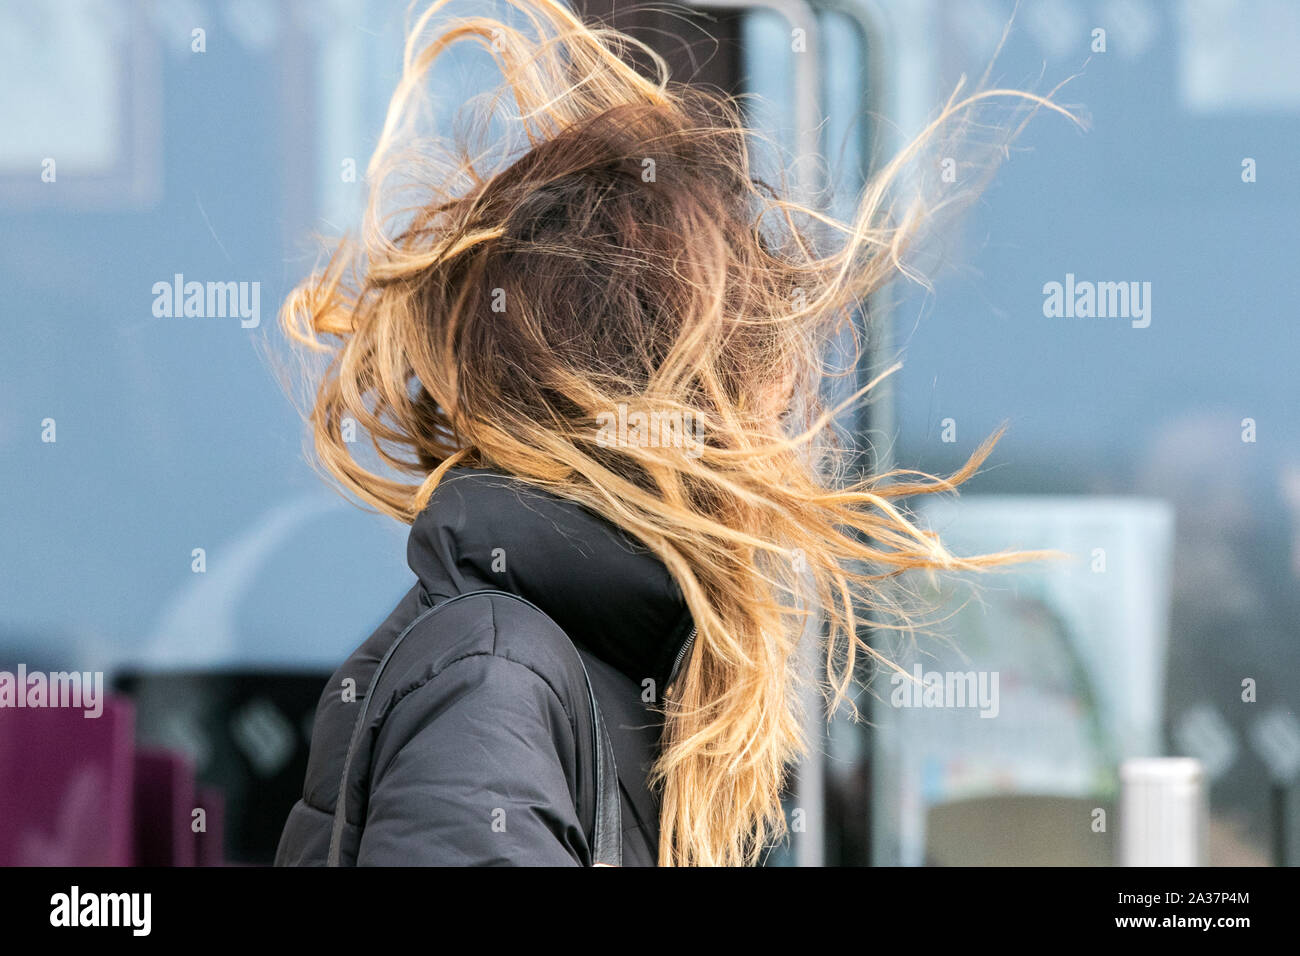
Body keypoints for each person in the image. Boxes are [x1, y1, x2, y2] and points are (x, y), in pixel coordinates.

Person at [274, 0, 1066, 866]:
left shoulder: (596, 667)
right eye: (773, 392)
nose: (795, 440)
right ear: (698, 412)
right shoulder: (494, 678)